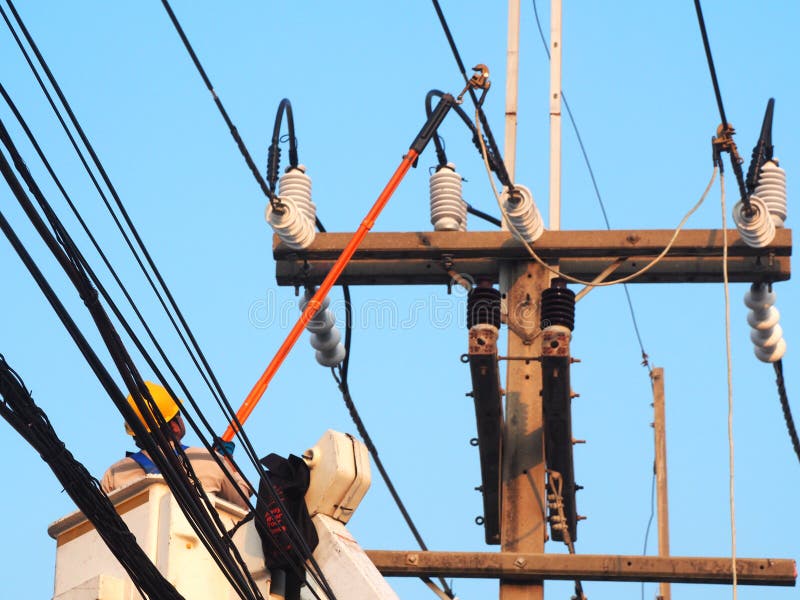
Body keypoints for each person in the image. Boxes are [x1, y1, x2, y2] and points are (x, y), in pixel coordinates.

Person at [101, 381, 251, 509]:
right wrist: (227, 461)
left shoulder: (114, 474)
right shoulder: (208, 459)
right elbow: (242, 504)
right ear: (174, 426)